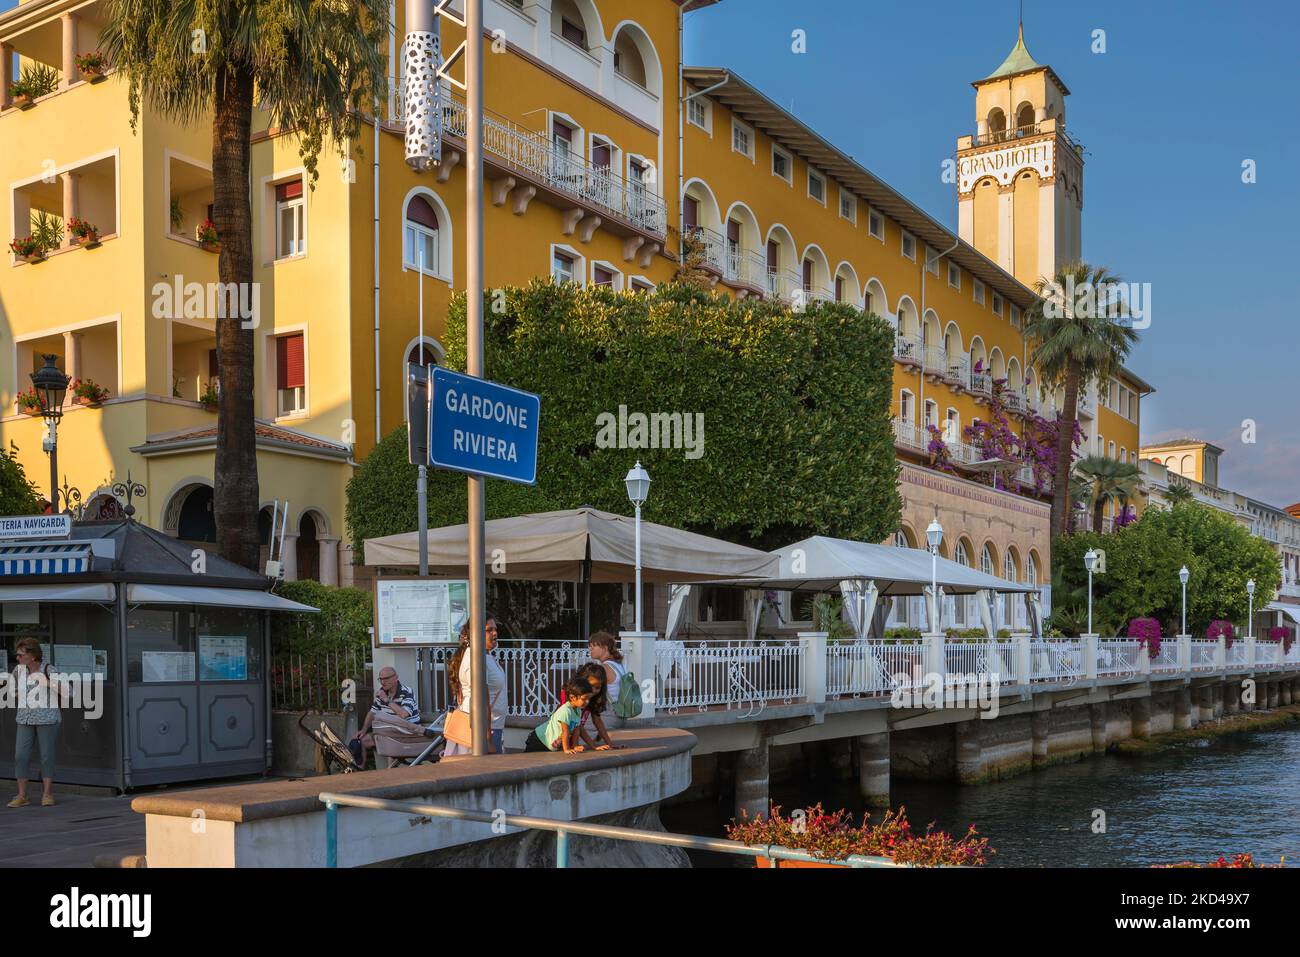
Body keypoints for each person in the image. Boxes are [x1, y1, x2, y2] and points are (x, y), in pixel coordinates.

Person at [8, 639, 62, 807]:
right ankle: (22, 795)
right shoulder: (18, 670)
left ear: (32, 656)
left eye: (21, 655)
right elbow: (13, 690)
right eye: (17, 655)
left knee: (46, 756)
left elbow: (69, 691)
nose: (17, 658)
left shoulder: (48, 669)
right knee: (20, 756)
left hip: (47, 719)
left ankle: (47, 794)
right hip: (24, 718)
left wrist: (47, 682)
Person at [443, 615, 506, 756]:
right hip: (481, 731)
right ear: (475, 633)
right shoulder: (475, 658)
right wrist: (487, 739)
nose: (495, 633)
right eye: (489, 630)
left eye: (495, 629)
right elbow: (480, 698)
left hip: (492, 727)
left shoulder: (484, 655)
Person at [351, 666, 420, 768]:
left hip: (407, 732)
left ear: (396, 678)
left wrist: (386, 700)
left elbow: (404, 714)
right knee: (360, 741)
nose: (383, 682)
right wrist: (364, 730)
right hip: (388, 732)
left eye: (386, 678)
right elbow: (372, 713)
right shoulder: (382, 692)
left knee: (388, 744)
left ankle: (390, 777)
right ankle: (358, 772)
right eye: (381, 679)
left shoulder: (407, 692)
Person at [525, 679, 592, 753]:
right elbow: (565, 731)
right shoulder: (566, 710)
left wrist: (575, 746)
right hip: (538, 740)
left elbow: (576, 730)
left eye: (588, 698)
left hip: (547, 744)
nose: (587, 701)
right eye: (584, 698)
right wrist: (566, 749)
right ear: (572, 697)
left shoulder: (578, 710)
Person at [570, 662, 623, 751]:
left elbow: (597, 721)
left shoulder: (593, 699)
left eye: (597, 687)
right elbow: (572, 723)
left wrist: (610, 744)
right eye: (591, 686)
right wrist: (593, 746)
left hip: (573, 736)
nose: (593, 691)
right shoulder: (571, 695)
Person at [587, 631, 631, 731]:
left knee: (571, 725)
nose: (590, 649)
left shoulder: (604, 668)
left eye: (593, 646)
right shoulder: (620, 666)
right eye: (590, 646)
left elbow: (589, 692)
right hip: (621, 715)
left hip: (607, 716)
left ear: (605, 648)